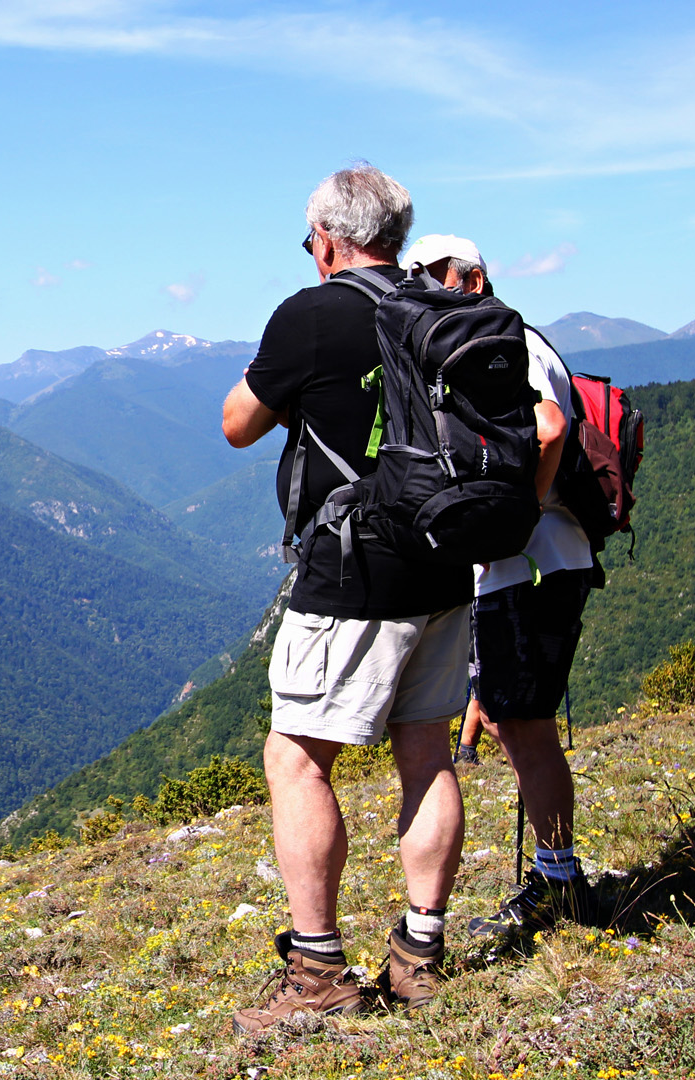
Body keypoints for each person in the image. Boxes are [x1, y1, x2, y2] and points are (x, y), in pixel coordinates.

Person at [222, 166, 472, 1026]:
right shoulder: (447, 304)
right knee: (426, 752)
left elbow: (237, 424)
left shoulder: (314, 313)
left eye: (309, 242)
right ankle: (419, 950)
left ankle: (319, 973)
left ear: (328, 238)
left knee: (296, 758)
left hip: (354, 567)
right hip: (447, 558)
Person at [400, 234, 598, 934]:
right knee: (521, 724)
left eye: (438, 275)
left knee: (526, 729)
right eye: (417, 277)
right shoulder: (489, 340)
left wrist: (520, 520)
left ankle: (561, 884)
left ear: (475, 277)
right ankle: (557, 877)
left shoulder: (510, 342)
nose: (429, 287)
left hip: (532, 566)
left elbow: (548, 429)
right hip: (536, 564)